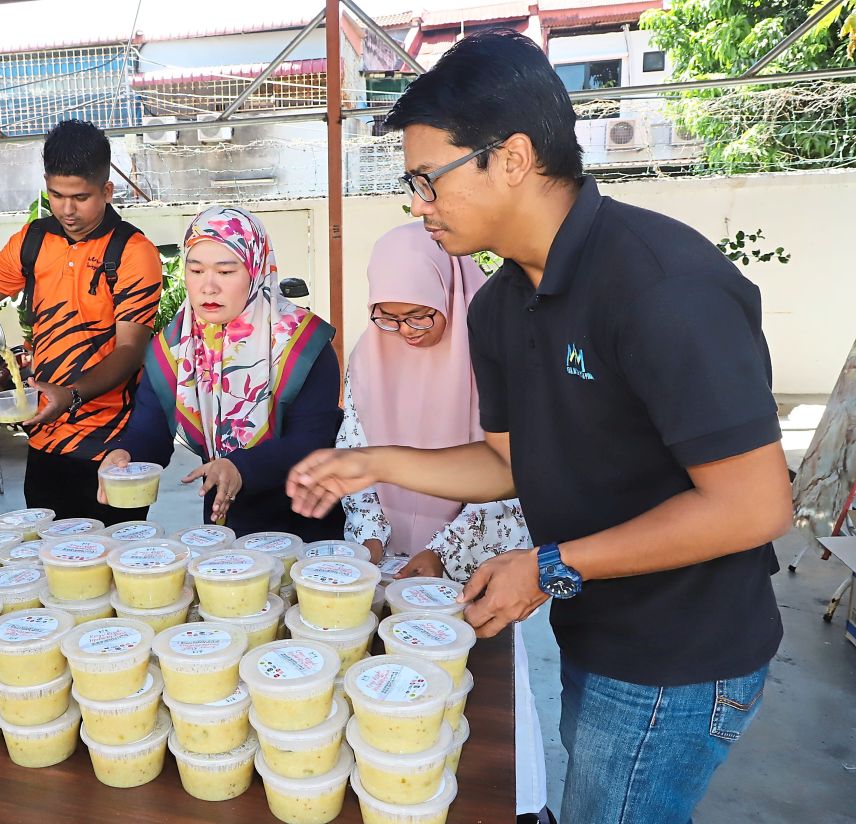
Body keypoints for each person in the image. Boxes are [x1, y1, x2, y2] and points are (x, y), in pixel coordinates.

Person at [286, 29, 789, 824]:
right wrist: (376, 461)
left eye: (429, 180)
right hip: (598, 628)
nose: (419, 206)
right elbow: (508, 462)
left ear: (511, 158)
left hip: (682, 655)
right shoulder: (499, 308)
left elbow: (754, 507)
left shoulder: (662, 286)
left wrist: (548, 565)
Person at [339, 222, 549, 821]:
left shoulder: (498, 349)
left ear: (450, 296)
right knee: (396, 707)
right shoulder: (368, 351)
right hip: (390, 565)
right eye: (388, 316)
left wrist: (440, 554)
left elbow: (518, 474)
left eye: (419, 317)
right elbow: (356, 446)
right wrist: (371, 537)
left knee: (472, 707)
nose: (403, 333)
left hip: (476, 564)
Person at [0, 119, 163, 523]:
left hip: (111, 444)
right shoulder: (32, 240)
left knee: (116, 562)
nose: (67, 209)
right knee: (52, 558)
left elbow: (132, 351)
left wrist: (73, 394)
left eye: (80, 197)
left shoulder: (133, 252)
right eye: (56, 195)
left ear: (107, 191)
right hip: (44, 438)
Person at [100, 205, 343, 539]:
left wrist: (240, 466)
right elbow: (149, 431)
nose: (208, 287)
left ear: (256, 271)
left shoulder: (301, 344)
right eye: (196, 271)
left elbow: (311, 441)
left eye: (226, 272)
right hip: (223, 522)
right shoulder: (174, 347)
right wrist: (125, 455)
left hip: (302, 524)